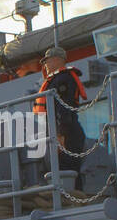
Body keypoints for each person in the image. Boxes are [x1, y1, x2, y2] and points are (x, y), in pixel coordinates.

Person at [32, 46, 88, 188]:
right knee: (63, 168)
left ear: (56, 60)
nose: (45, 65)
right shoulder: (57, 79)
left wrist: (61, 135)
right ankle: (70, 197)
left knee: (67, 169)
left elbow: (63, 110)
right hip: (58, 131)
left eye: (47, 61)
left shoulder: (63, 79)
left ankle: (72, 198)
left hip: (66, 132)